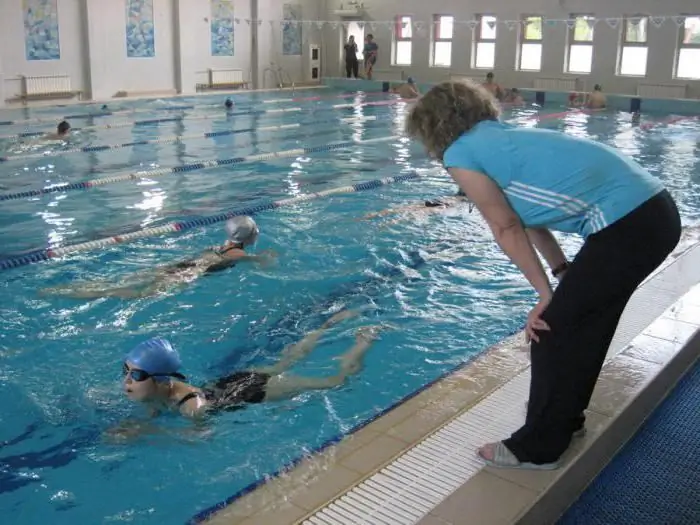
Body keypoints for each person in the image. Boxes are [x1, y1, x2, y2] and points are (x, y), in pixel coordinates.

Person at [405, 80, 680, 470]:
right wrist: (559, 272)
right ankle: (565, 422)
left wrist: (545, 296)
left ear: (432, 126)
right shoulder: (500, 140)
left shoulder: (461, 153)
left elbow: (505, 227)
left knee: (549, 330)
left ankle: (539, 446)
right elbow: (528, 217)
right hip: (652, 214)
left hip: (630, 225)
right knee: (585, 325)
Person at [121, 310, 382, 419]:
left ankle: (363, 342)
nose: (127, 381)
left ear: (161, 379)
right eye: (126, 371)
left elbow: (200, 439)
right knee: (284, 361)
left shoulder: (192, 409)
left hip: (253, 391)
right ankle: (326, 326)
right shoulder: (164, 385)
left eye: (137, 374)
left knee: (334, 382)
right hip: (231, 381)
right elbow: (159, 402)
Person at [40, 216, 275, 300]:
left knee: (124, 280)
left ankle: (67, 288)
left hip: (180, 265)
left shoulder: (220, 245)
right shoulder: (240, 255)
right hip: (188, 273)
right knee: (137, 294)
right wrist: (266, 257)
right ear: (250, 236)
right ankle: (82, 293)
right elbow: (263, 262)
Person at [361, 189, 472, 221]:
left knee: (403, 208)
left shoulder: (462, 187)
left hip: (440, 200)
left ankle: (372, 215)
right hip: (447, 205)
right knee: (414, 214)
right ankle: (388, 224)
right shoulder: (470, 197)